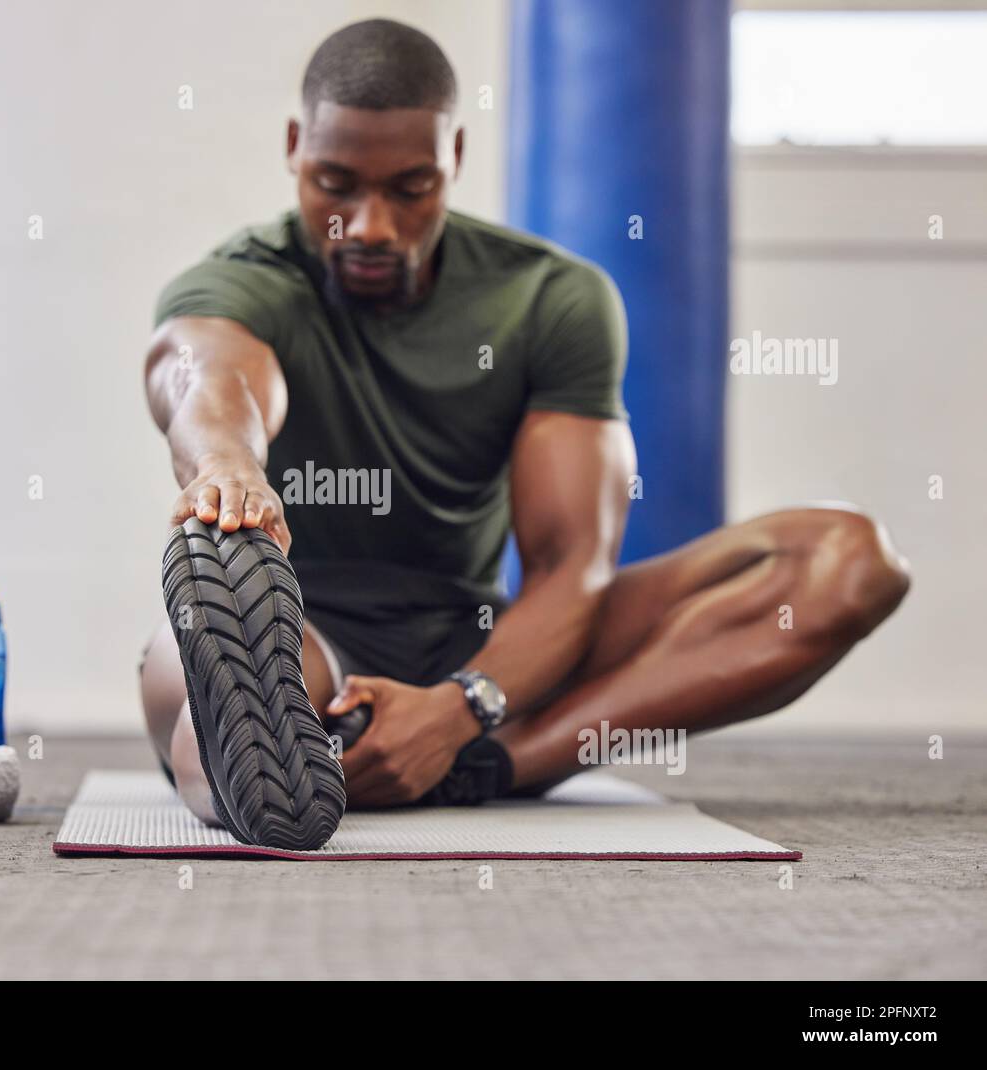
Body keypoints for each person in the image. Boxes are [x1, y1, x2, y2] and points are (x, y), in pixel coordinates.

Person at [139, 19, 911, 848]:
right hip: (306, 627)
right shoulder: (240, 281)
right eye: (336, 184)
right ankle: (243, 765)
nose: (368, 225)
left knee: (848, 560)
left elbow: (573, 568)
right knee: (205, 688)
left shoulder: (548, 298)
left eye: (409, 188)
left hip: (480, 640)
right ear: (295, 148)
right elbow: (206, 376)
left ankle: (493, 761)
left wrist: (460, 709)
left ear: (455, 158)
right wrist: (227, 464)